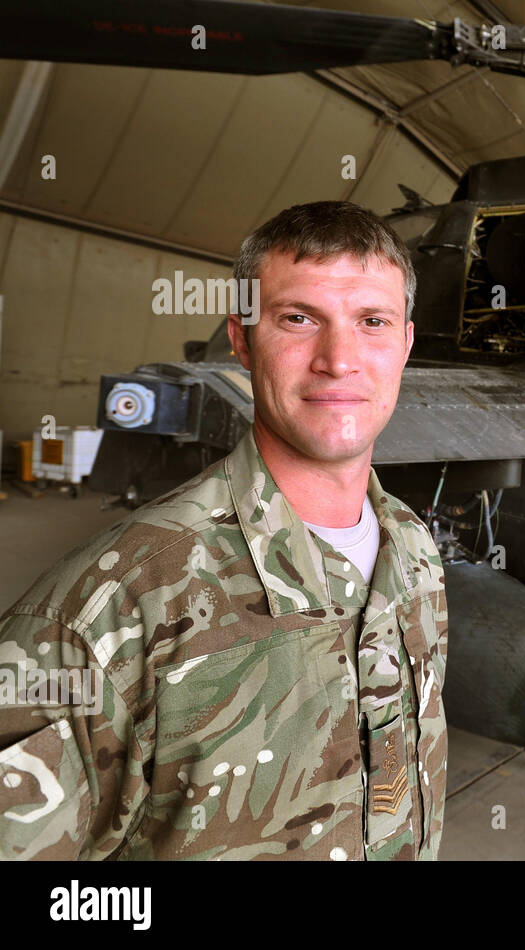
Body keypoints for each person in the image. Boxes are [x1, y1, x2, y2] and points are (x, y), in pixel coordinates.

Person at [0, 201, 448, 860]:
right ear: (240, 339)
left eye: (372, 322)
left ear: (405, 343)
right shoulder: (114, 605)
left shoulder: (415, 551)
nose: (339, 359)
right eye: (299, 319)